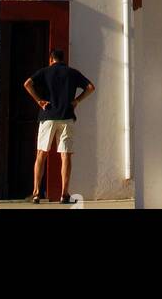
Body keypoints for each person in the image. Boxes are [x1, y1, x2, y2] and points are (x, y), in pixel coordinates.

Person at [24, 47, 95, 204]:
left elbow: (27, 84)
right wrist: (76, 100)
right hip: (67, 116)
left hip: (48, 116)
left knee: (41, 154)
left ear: (51, 59)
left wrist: (38, 100)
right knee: (65, 155)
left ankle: (36, 193)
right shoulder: (72, 73)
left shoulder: (45, 71)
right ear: (63, 60)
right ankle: (64, 194)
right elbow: (90, 87)